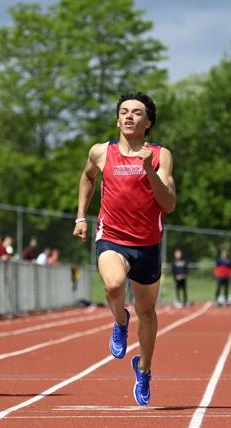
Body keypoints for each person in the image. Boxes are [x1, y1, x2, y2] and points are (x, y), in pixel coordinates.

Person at [73, 92, 176, 406]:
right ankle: (119, 321)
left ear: (148, 123)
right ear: (117, 119)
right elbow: (87, 177)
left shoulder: (160, 155)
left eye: (137, 113)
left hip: (147, 244)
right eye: (124, 112)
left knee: (147, 312)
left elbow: (169, 204)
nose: (130, 116)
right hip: (112, 237)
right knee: (114, 284)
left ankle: (143, 370)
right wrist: (81, 215)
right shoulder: (101, 152)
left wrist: (148, 170)